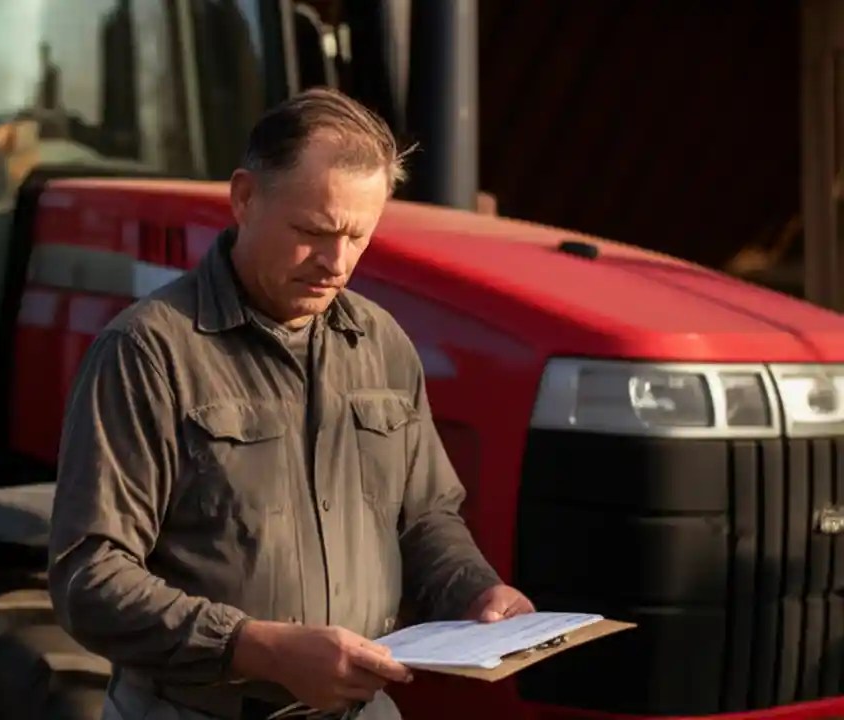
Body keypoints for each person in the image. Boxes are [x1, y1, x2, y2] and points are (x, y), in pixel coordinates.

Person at [48, 87, 535, 720]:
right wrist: (257, 649)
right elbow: (91, 576)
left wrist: (476, 593)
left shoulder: (382, 344)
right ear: (245, 197)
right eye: (313, 231)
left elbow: (425, 519)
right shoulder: (148, 352)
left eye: (359, 237)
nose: (337, 262)